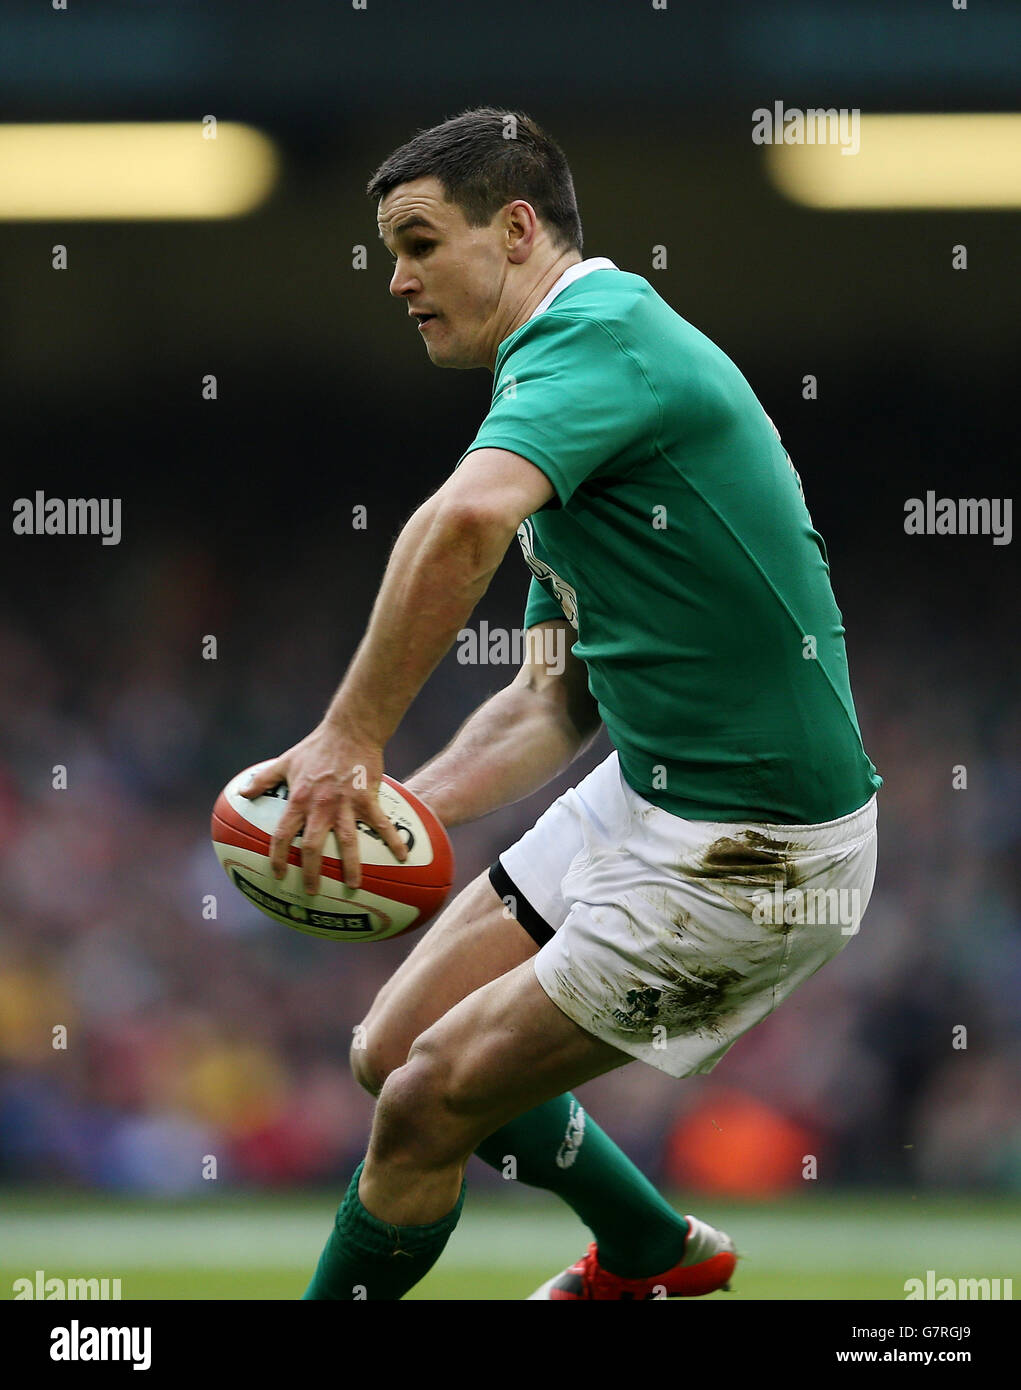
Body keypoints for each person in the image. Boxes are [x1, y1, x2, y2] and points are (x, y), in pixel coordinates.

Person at [242, 107, 881, 1301]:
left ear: (518, 228)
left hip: (755, 850)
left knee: (431, 1102)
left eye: (420, 242)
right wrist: (393, 805)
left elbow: (463, 521)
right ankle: (648, 1251)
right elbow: (549, 706)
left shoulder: (594, 335)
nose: (397, 278)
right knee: (388, 1055)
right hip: (649, 790)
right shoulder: (567, 382)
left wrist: (349, 736)